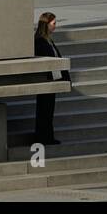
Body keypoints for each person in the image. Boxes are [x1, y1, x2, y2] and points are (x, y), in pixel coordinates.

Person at [33, 12, 71, 146]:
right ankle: (44, 137)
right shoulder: (39, 41)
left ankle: (47, 137)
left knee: (48, 110)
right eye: (53, 24)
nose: (55, 26)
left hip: (53, 80)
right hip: (46, 80)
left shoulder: (48, 39)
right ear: (46, 25)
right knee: (44, 110)